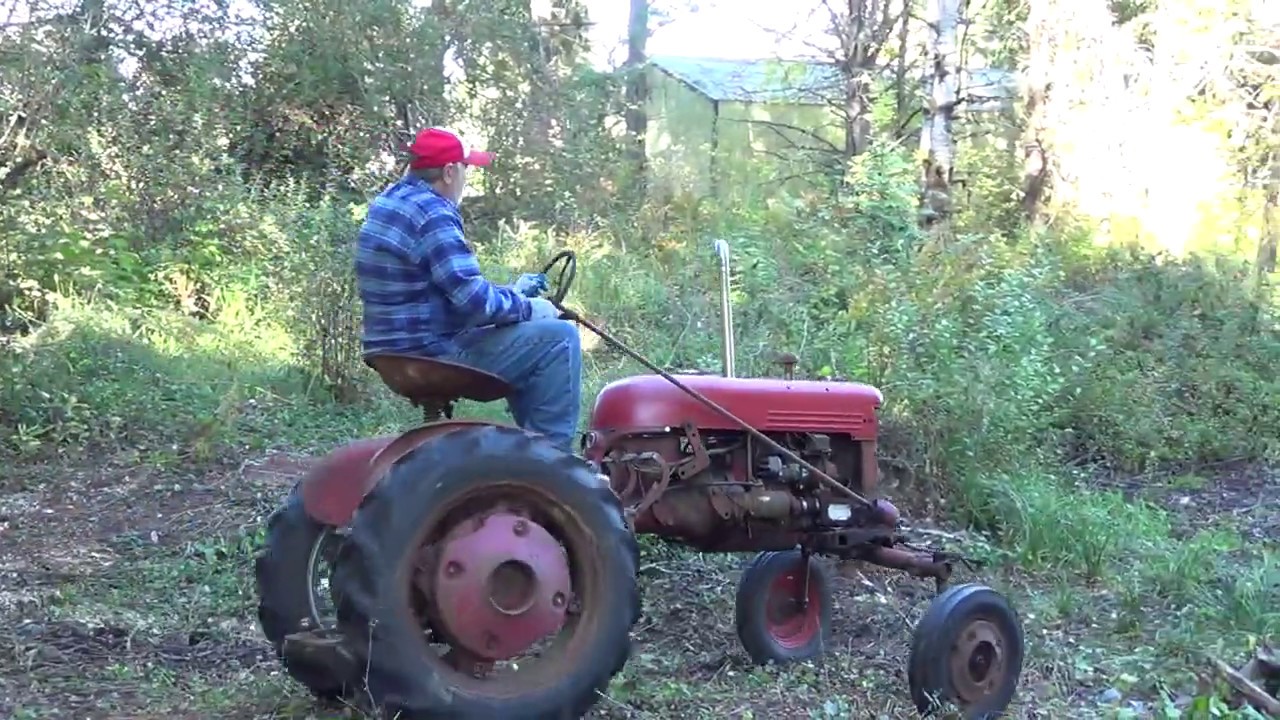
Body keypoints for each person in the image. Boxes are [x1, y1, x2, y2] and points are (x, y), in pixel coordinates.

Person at [354, 127, 583, 451]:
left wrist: (515, 294)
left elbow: (444, 292)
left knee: (530, 329)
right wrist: (532, 308)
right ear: (449, 171)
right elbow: (474, 302)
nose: (466, 178)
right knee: (559, 338)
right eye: (466, 169)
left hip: (394, 350)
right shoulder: (432, 212)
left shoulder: (390, 202)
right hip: (430, 352)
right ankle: (556, 466)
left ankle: (532, 458)